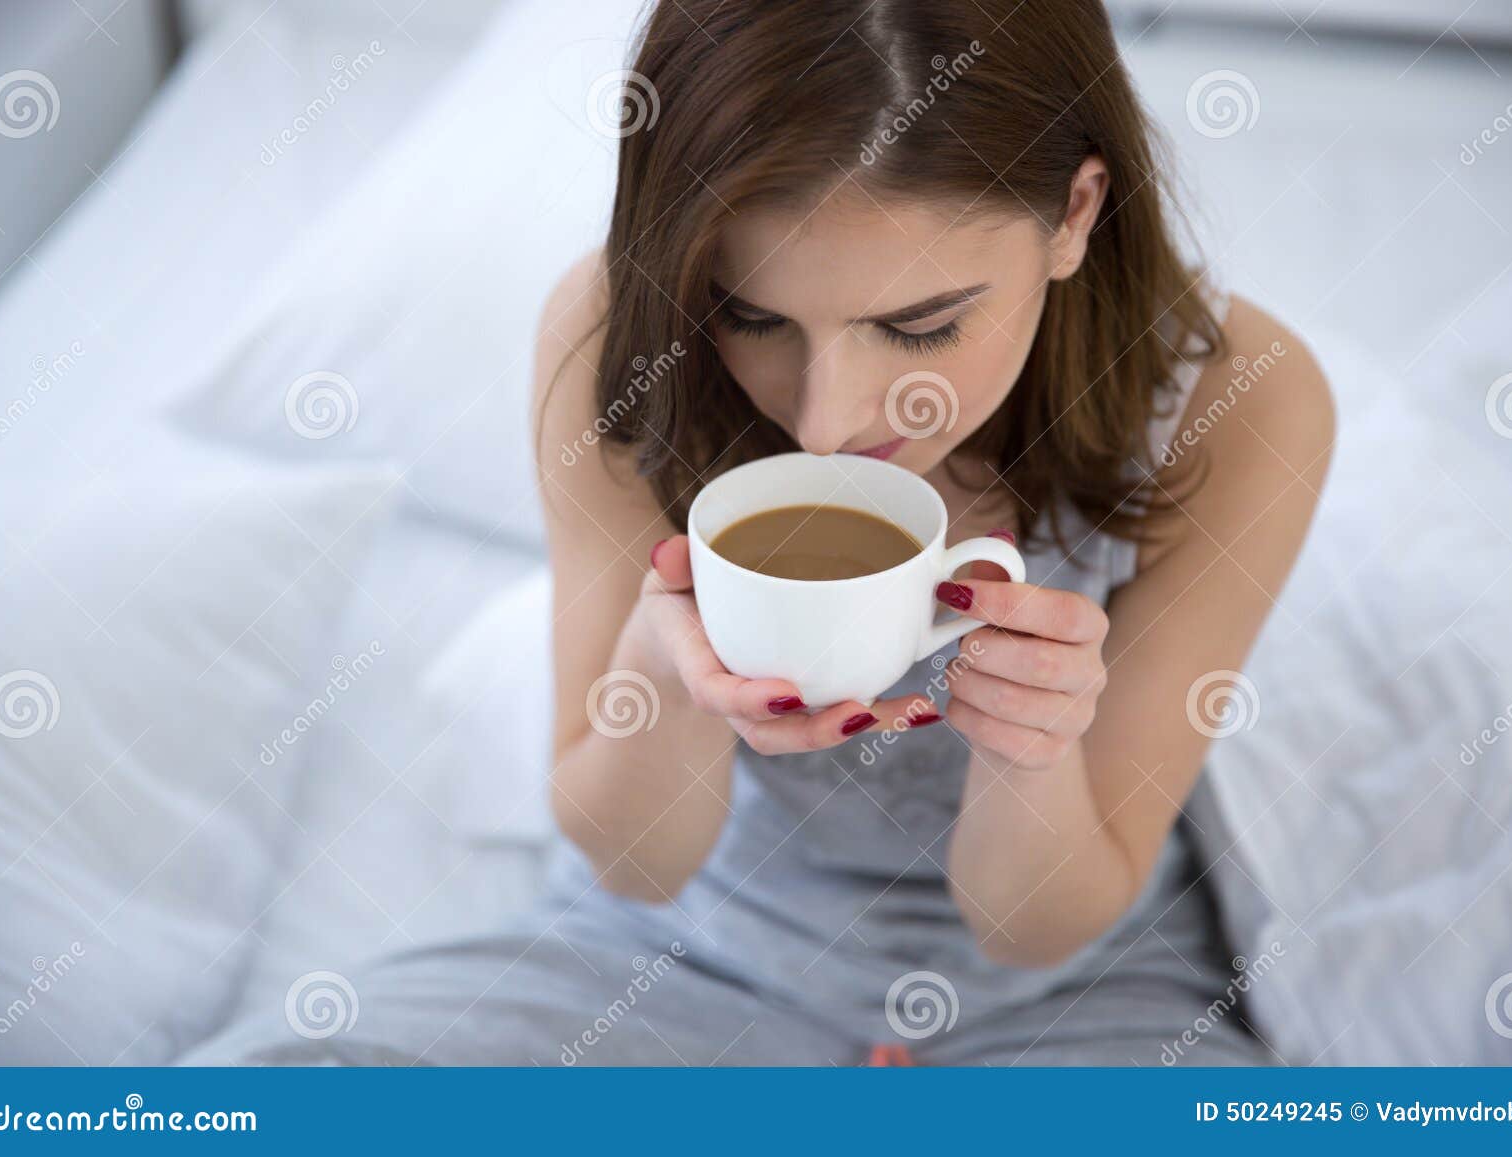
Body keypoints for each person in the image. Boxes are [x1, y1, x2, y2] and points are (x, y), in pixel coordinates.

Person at [188, 0, 1332, 1067]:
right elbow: (635, 863)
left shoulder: (1236, 406)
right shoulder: (614, 343)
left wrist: (1025, 744)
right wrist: (665, 665)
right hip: (671, 963)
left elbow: (1035, 929)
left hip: (1080, 1003)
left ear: (1073, 215)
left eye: (919, 324)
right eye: (753, 315)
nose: (827, 421)